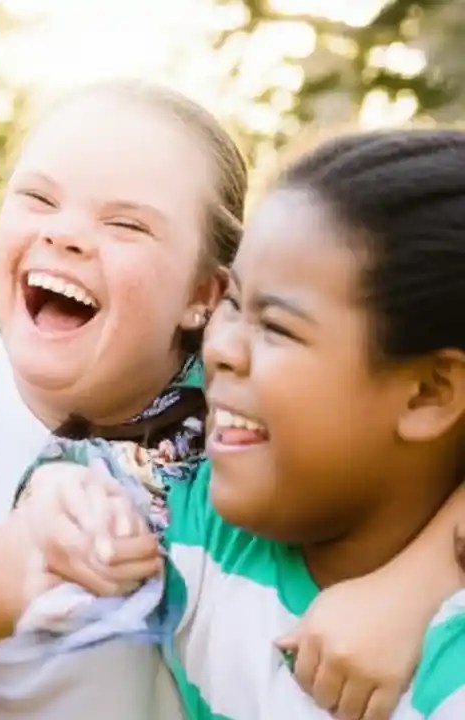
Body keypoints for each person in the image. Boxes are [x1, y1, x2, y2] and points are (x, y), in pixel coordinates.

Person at [0, 82, 465, 719]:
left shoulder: (239, 424)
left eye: (124, 223)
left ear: (203, 294)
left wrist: (414, 585)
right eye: (36, 197)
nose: (65, 235)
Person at [30, 128, 465, 719]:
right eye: (232, 303)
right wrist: (60, 494)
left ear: (429, 393)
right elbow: (88, 470)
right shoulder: (200, 520)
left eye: (278, 328)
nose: (222, 348)